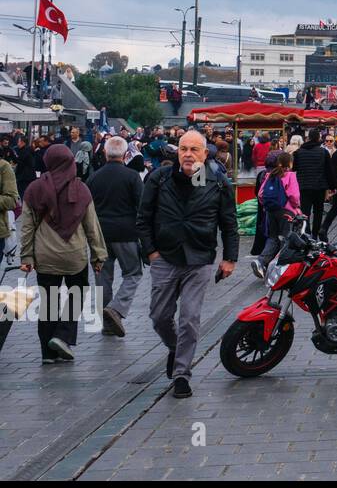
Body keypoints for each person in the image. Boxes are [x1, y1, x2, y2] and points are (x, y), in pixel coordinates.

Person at [137, 130, 237, 398]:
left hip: (199, 258)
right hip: (165, 257)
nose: (189, 154)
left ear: (205, 154)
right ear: (177, 152)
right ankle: (174, 348)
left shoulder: (217, 183)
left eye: (195, 149)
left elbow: (229, 223)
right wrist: (152, 253)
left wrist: (230, 258)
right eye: (184, 149)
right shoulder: (160, 179)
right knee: (159, 317)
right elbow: (143, 219)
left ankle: (182, 374)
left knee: (190, 318)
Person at [18, 144, 107, 365]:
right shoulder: (81, 189)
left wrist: (26, 257)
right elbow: (92, 226)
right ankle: (63, 336)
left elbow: (27, 227)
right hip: (74, 255)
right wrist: (98, 255)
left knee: (48, 302)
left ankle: (48, 354)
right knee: (77, 293)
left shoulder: (34, 189)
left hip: (45, 255)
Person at [87, 136, 145, 337]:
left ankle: (107, 322)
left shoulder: (94, 177)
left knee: (102, 278)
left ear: (105, 153)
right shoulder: (132, 176)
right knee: (133, 273)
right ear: (125, 154)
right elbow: (142, 207)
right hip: (126, 233)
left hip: (99, 235)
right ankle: (117, 309)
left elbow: (87, 208)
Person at [292, 129, 334, 239]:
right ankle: (315, 234)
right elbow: (329, 171)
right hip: (319, 186)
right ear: (318, 138)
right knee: (318, 211)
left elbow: (294, 169)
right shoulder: (323, 152)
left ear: (309, 138)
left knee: (305, 211)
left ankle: (306, 233)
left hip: (304, 186)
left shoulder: (298, 152)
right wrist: (332, 186)